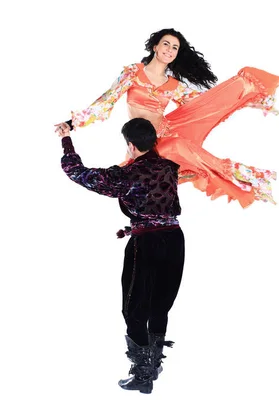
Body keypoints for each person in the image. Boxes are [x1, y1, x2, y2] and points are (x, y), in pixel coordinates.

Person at [54, 27, 279, 209]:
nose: (170, 49)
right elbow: (107, 100)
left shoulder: (174, 85)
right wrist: (72, 124)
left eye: (175, 47)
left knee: (192, 156)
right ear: (155, 46)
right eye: (166, 44)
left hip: (167, 134)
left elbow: (207, 104)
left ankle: (255, 180)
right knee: (135, 187)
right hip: (141, 143)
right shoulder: (133, 72)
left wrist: (247, 100)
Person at [58, 118, 185, 394]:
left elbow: (77, 172)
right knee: (160, 305)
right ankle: (153, 364)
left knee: (134, 309)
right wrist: (132, 227)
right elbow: (159, 207)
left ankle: (143, 375)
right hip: (174, 239)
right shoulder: (170, 168)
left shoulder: (126, 175)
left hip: (146, 244)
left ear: (130, 145)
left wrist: (66, 139)